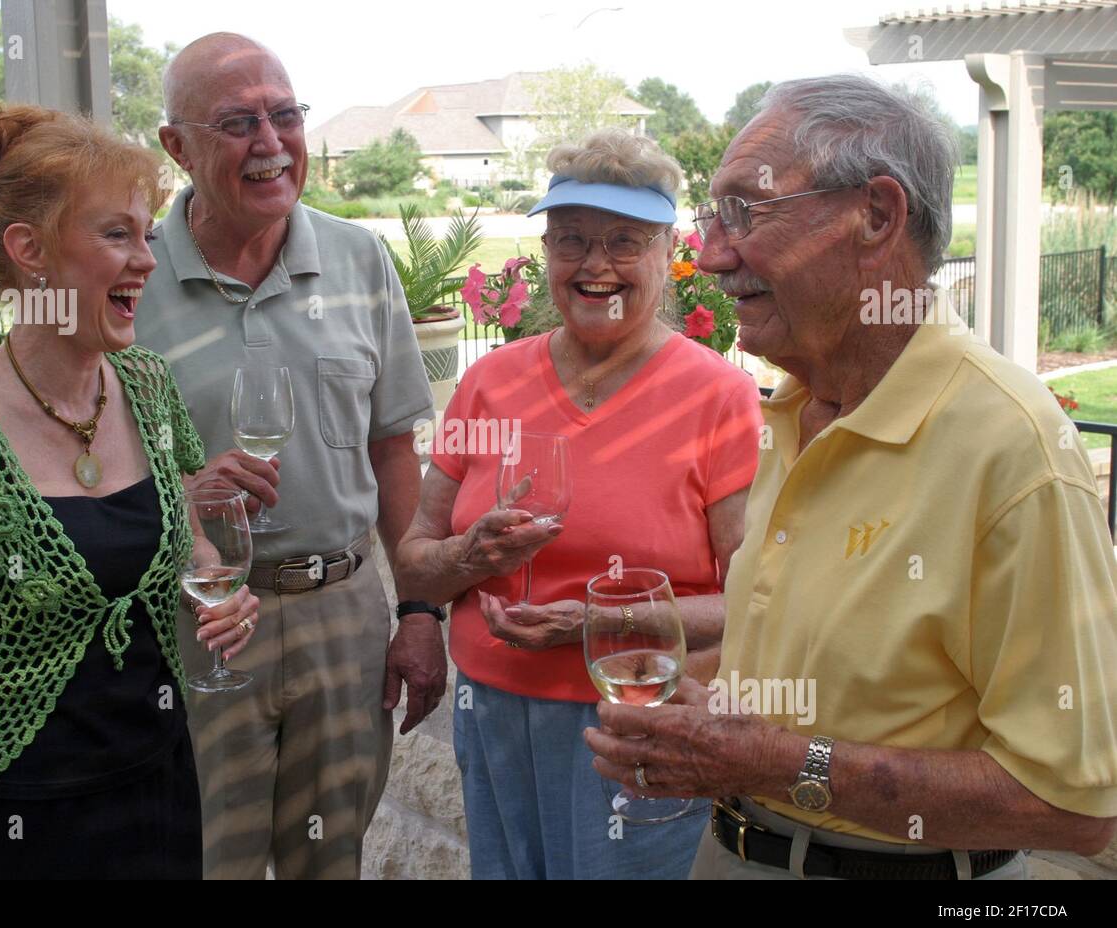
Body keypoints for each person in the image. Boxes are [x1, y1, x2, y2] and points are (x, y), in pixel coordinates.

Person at [586, 74, 1117, 880]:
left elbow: (1073, 802)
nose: (710, 253)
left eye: (745, 212)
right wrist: (708, 714)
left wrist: (770, 762)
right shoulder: (792, 410)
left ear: (875, 214)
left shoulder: (1014, 448)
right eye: (711, 215)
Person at [0, 104, 259, 880]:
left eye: (147, 234)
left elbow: (191, 541)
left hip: (161, 781)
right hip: (21, 818)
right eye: (117, 234)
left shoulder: (147, 383)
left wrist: (215, 594)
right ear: (29, 250)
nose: (146, 259)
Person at [396, 128, 763, 879]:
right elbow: (416, 561)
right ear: (546, 257)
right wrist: (471, 557)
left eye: (625, 242)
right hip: (493, 713)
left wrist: (595, 625)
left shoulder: (715, 394)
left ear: (669, 254)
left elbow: (757, 599)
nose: (596, 265)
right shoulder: (489, 383)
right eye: (571, 241)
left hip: (636, 720)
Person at [135, 32, 445, 880]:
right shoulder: (131, 279)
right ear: (178, 146)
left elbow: (393, 451)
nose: (271, 144)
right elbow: (85, 463)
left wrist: (418, 610)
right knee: (207, 860)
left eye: (285, 115)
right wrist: (179, 491)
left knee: (327, 862)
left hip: (342, 617)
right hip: (198, 622)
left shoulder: (358, 259)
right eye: (238, 122)